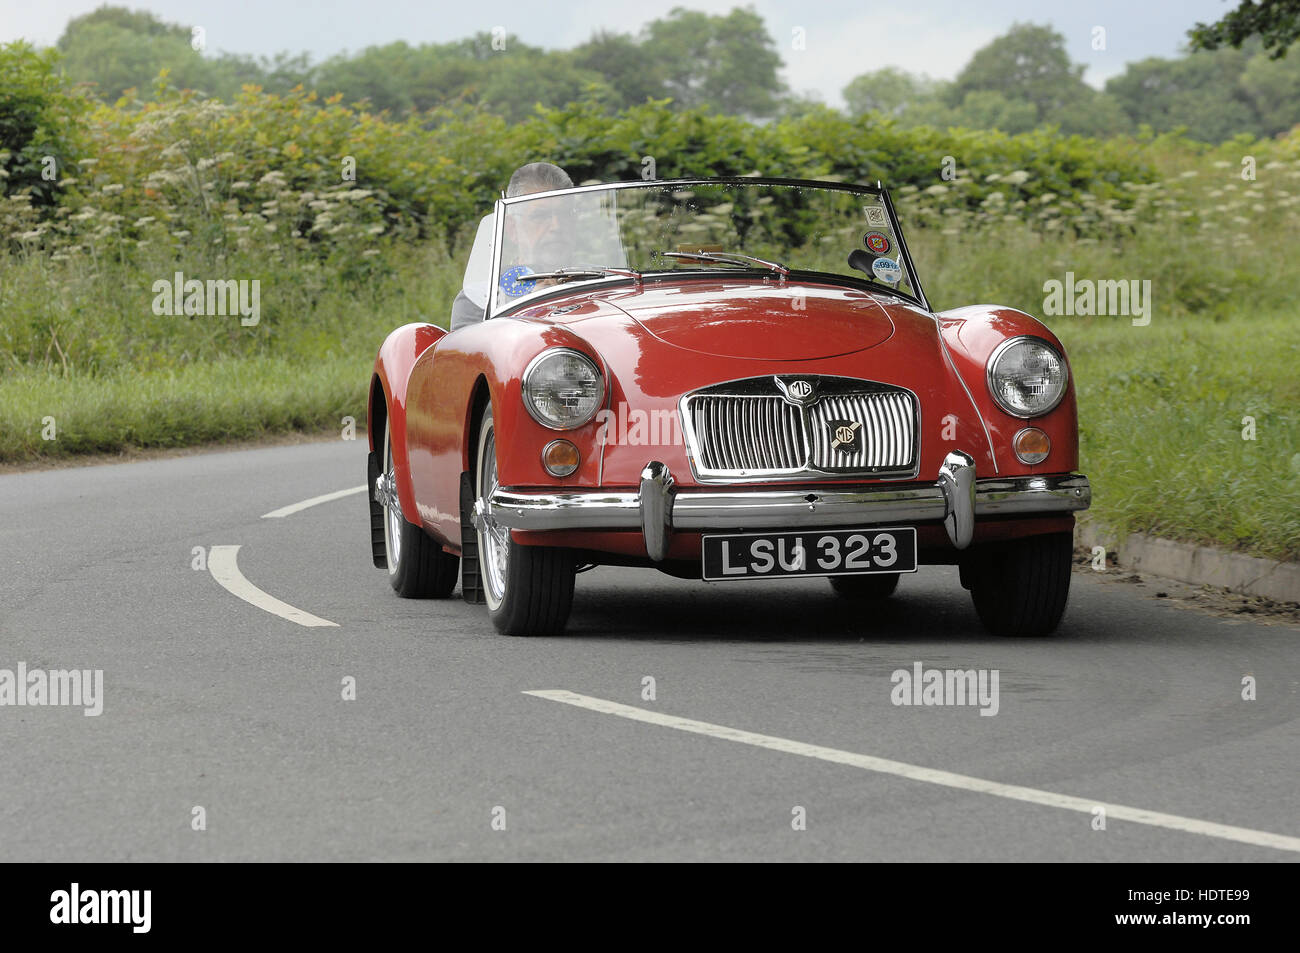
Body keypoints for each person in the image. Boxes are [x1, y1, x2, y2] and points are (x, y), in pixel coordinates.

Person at [449, 162, 574, 331]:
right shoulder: (482, 298)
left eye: (564, 214)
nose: (556, 226)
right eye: (540, 215)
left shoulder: (602, 282)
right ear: (512, 228)